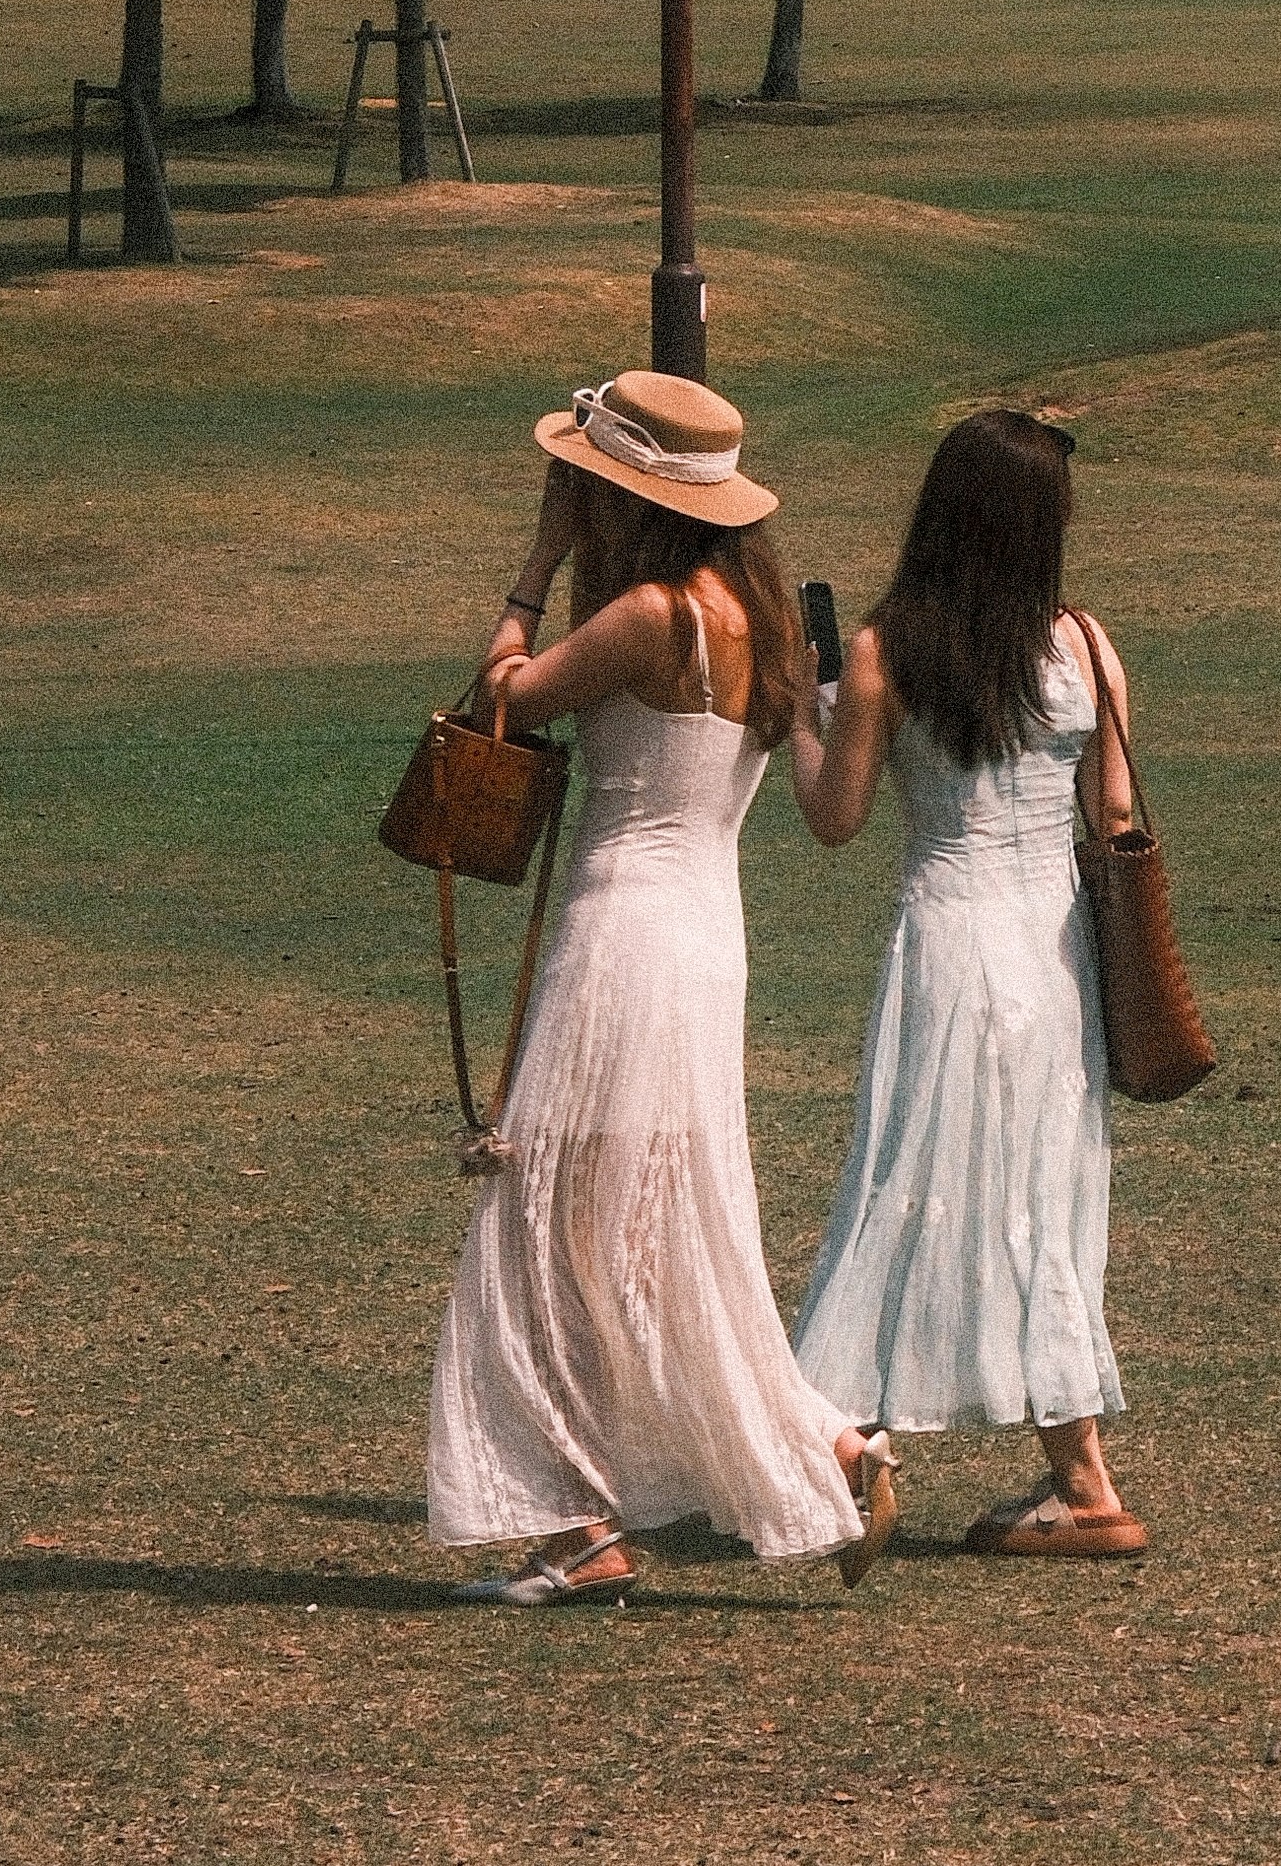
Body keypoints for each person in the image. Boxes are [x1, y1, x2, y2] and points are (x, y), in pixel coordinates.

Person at [426, 367, 898, 1604]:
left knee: (556, 1223)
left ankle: (588, 1526)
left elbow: (503, 693)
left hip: (621, 932)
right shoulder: (752, 619)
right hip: (701, 934)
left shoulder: (647, 614)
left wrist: (535, 564)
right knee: (648, 1227)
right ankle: (820, 1448)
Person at [789, 406, 1148, 1556]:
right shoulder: (1084, 647)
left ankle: (834, 1438)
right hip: (1053, 959)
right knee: (1042, 1199)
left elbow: (834, 819)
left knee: (905, 1177)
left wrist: (810, 716)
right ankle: (1080, 1475)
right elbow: (1115, 814)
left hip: (946, 940)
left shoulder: (886, 651)